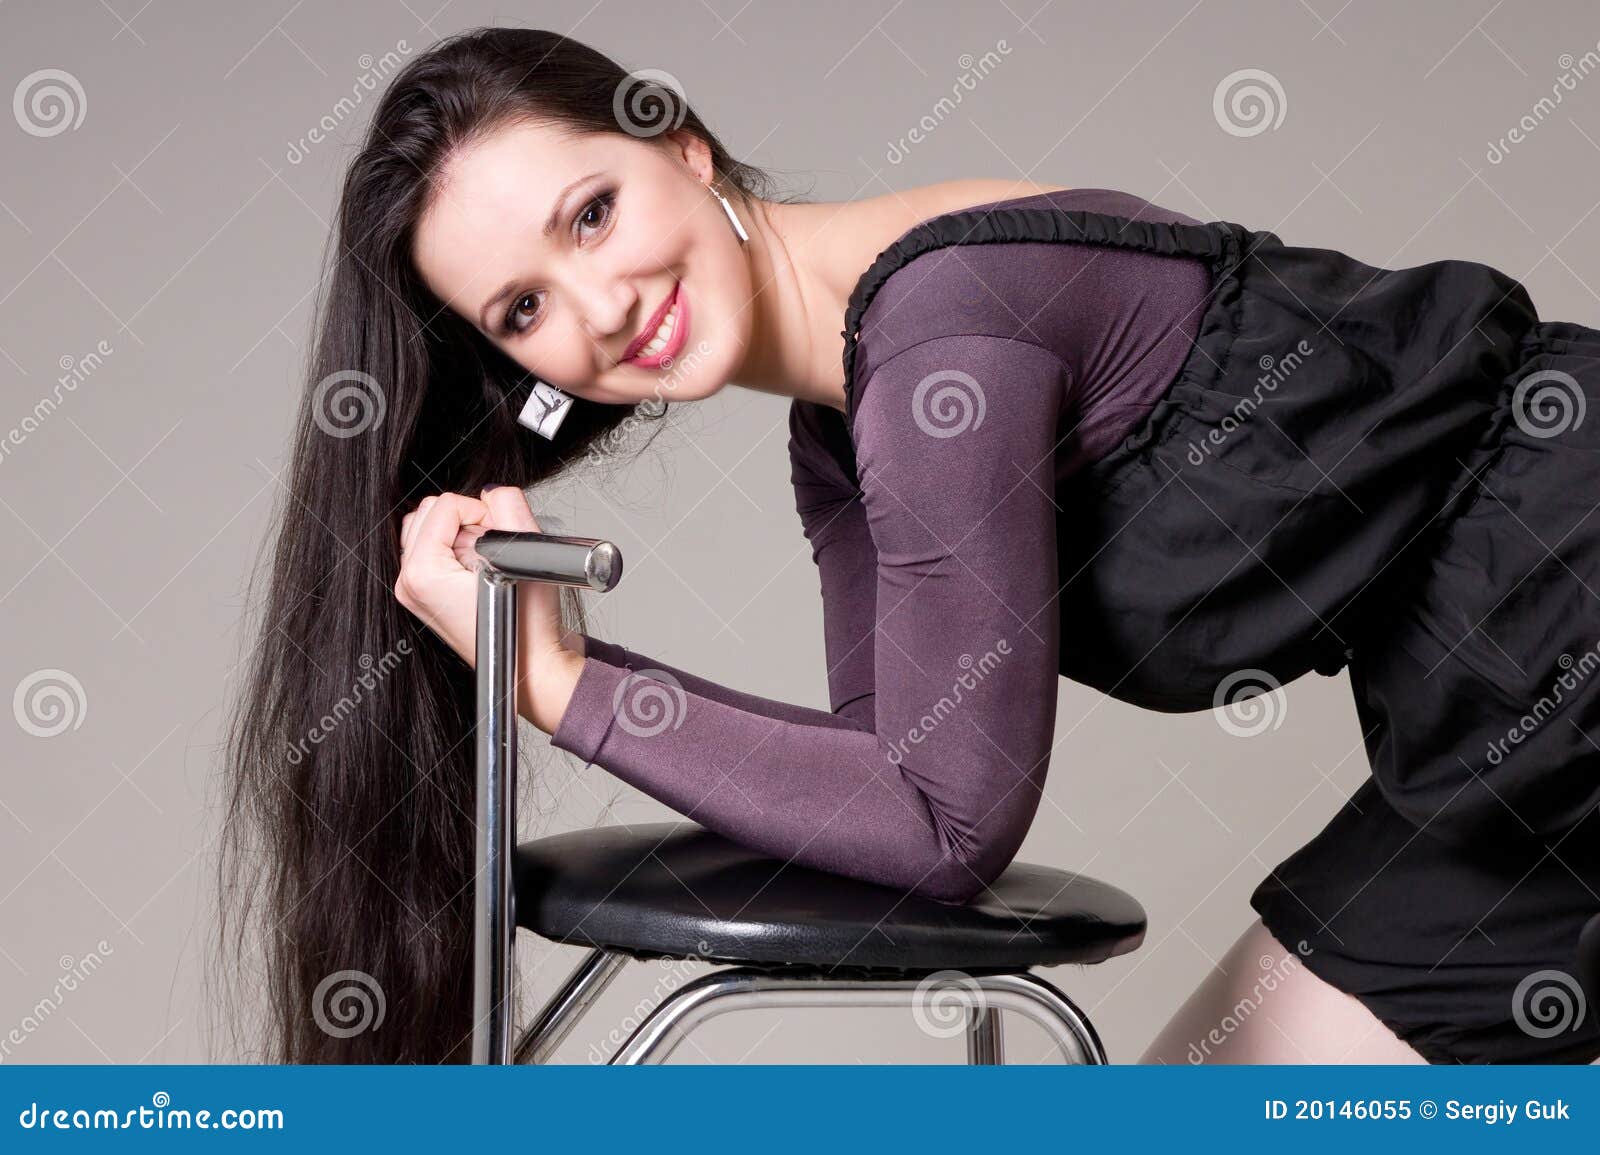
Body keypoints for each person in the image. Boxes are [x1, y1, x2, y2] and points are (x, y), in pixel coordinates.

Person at [218, 25, 1600, 1066]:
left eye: (593, 214)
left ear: (682, 148)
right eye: (523, 310)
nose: (600, 300)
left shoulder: (944, 336)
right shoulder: (848, 435)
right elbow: (888, 790)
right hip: (1499, 739)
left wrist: (562, 686)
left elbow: (944, 821)